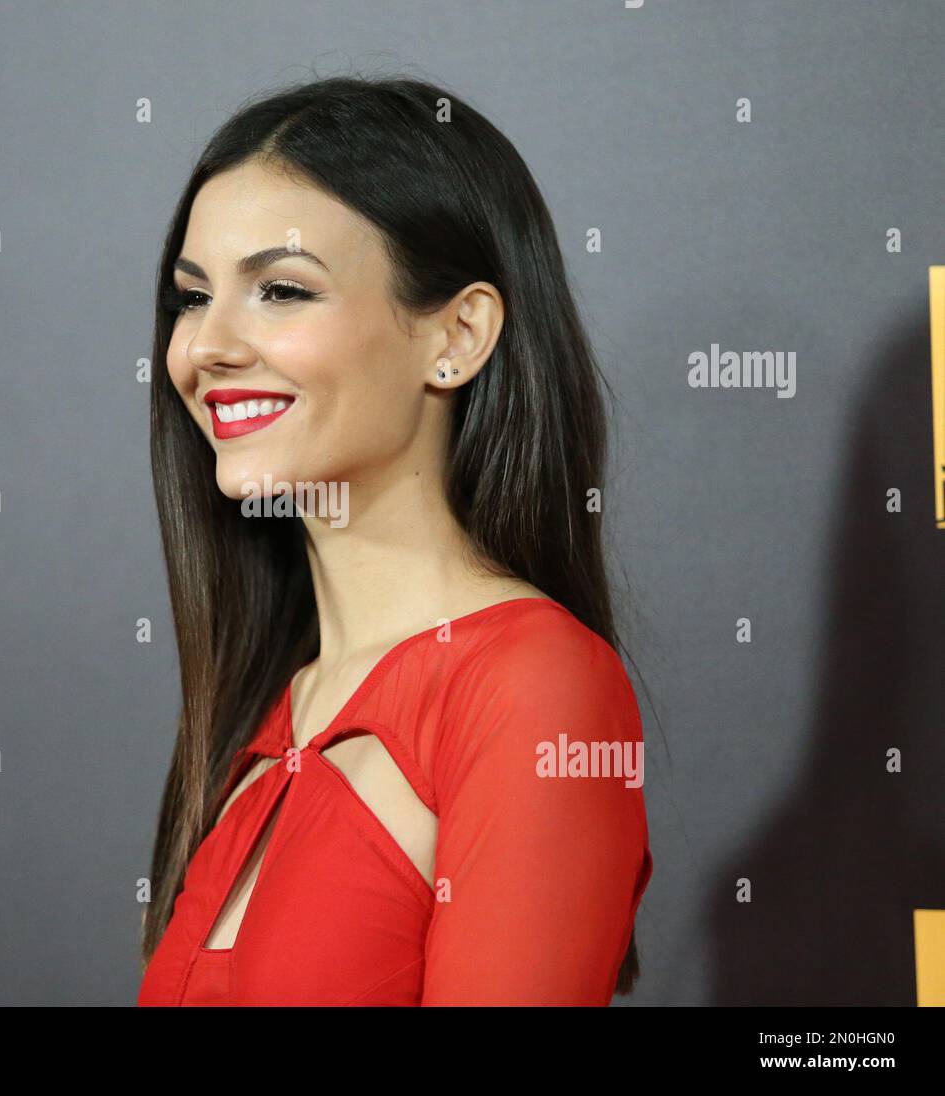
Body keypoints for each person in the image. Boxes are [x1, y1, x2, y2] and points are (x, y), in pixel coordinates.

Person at [137, 74, 653, 1006]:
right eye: (192, 297)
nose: (205, 346)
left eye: (282, 290)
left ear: (457, 335)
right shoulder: (266, 709)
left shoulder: (533, 685)